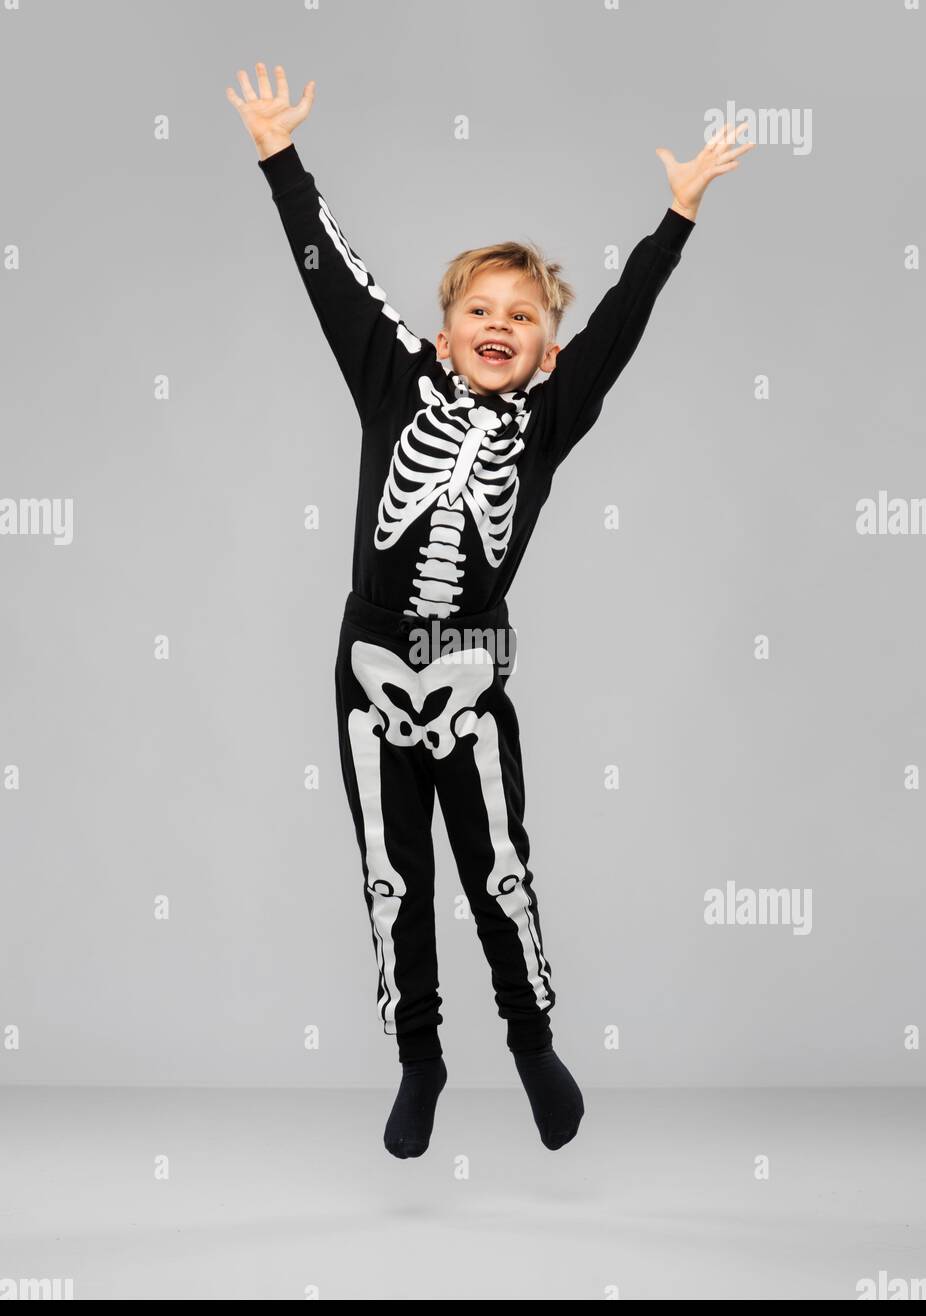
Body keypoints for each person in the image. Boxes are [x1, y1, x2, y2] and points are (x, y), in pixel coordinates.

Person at [227, 62, 754, 1159]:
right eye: (478, 309)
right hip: (369, 663)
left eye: (521, 315)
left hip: (469, 666)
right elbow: (334, 278)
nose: (498, 324)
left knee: (497, 862)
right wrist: (281, 160)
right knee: (391, 871)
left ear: (546, 348)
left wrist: (677, 215)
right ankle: (419, 1054)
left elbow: (622, 321)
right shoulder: (392, 381)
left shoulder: (552, 415)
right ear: (442, 327)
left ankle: (529, 1039)